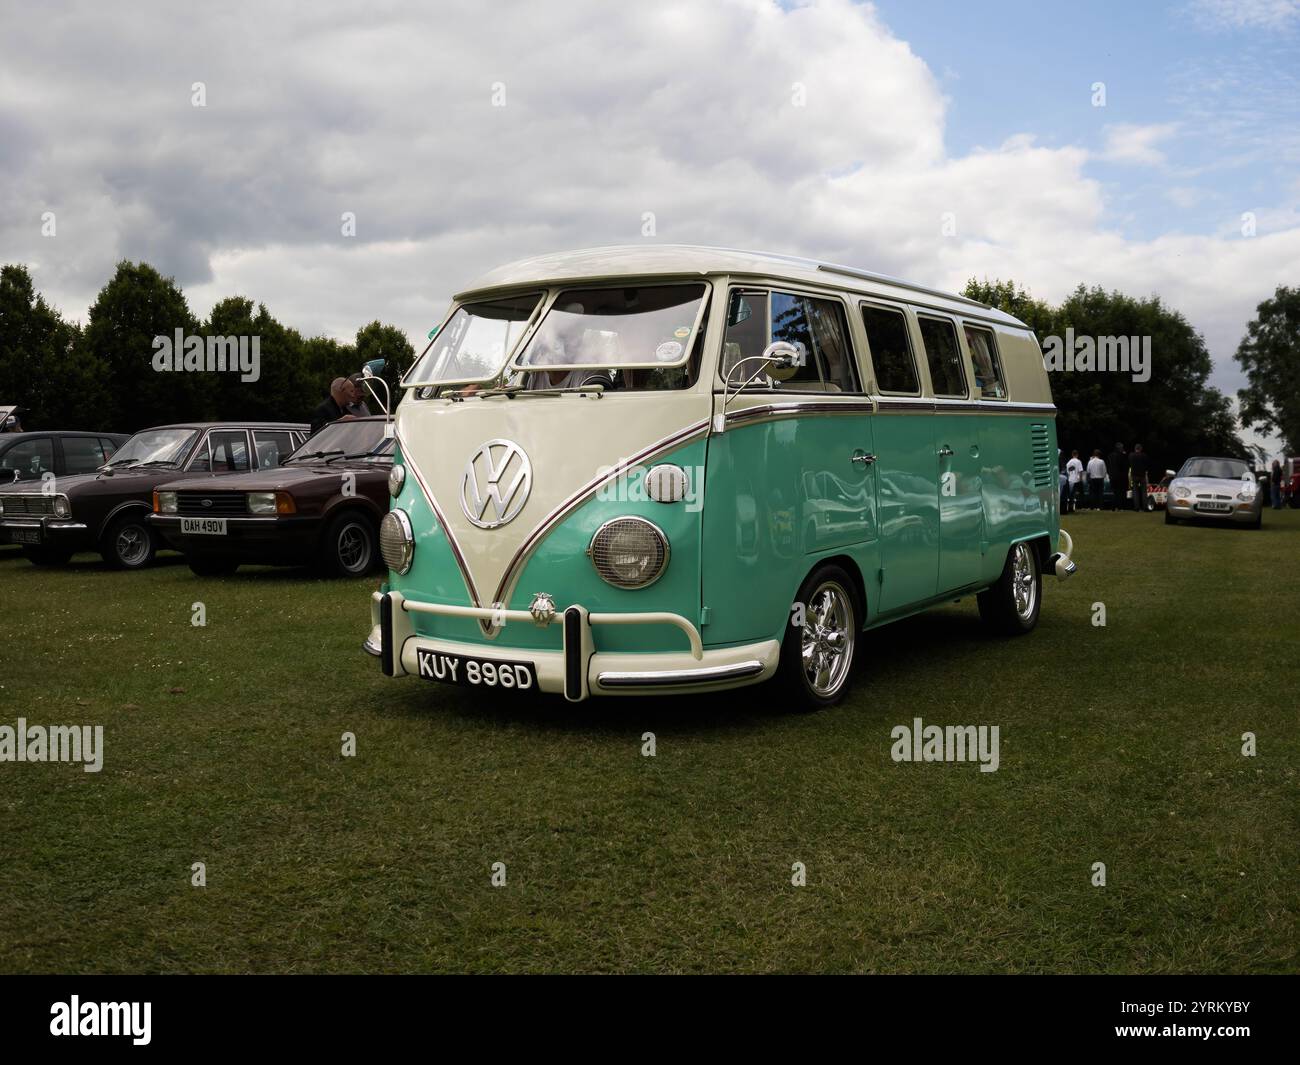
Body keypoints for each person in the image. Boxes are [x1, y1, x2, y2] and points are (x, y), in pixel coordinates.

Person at [1106, 442, 1128, 512]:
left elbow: (1108, 466)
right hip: (1120, 476)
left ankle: (1113, 507)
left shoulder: (1110, 455)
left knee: (1114, 492)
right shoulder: (1121, 456)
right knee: (1120, 492)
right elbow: (1124, 466)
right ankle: (1120, 507)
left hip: (1112, 476)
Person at [1130, 443, 1150, 511]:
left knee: (1135, 491)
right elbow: (1147, 465)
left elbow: (1129, 463)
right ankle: (1145, 507)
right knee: (1144, 491)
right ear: (1140, 449)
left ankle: (1136, 507)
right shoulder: (1144, 455)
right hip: (1142, 475)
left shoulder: (1131, 455)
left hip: (1134, 475)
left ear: (1135, 449)